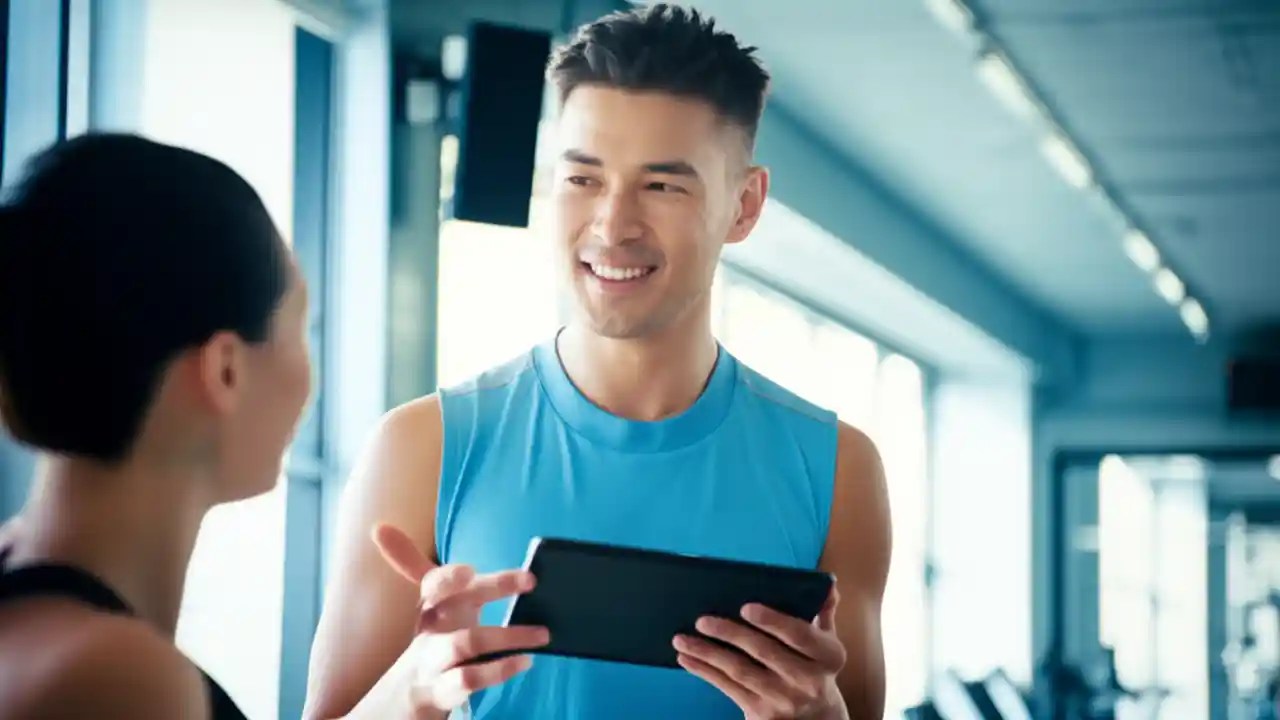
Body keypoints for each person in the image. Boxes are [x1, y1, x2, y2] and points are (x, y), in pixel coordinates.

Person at [303, 4, 891, 720]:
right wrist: (415, 692)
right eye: (582, 179)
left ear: (744, 204)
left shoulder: (838, 470)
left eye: (663, 186)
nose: (613, 225)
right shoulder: (423, 446)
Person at [0, 134, 312, 719]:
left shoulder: (27, 594)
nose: (308, 376)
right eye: (300, 327)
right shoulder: (116, 680)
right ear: (225, 369)